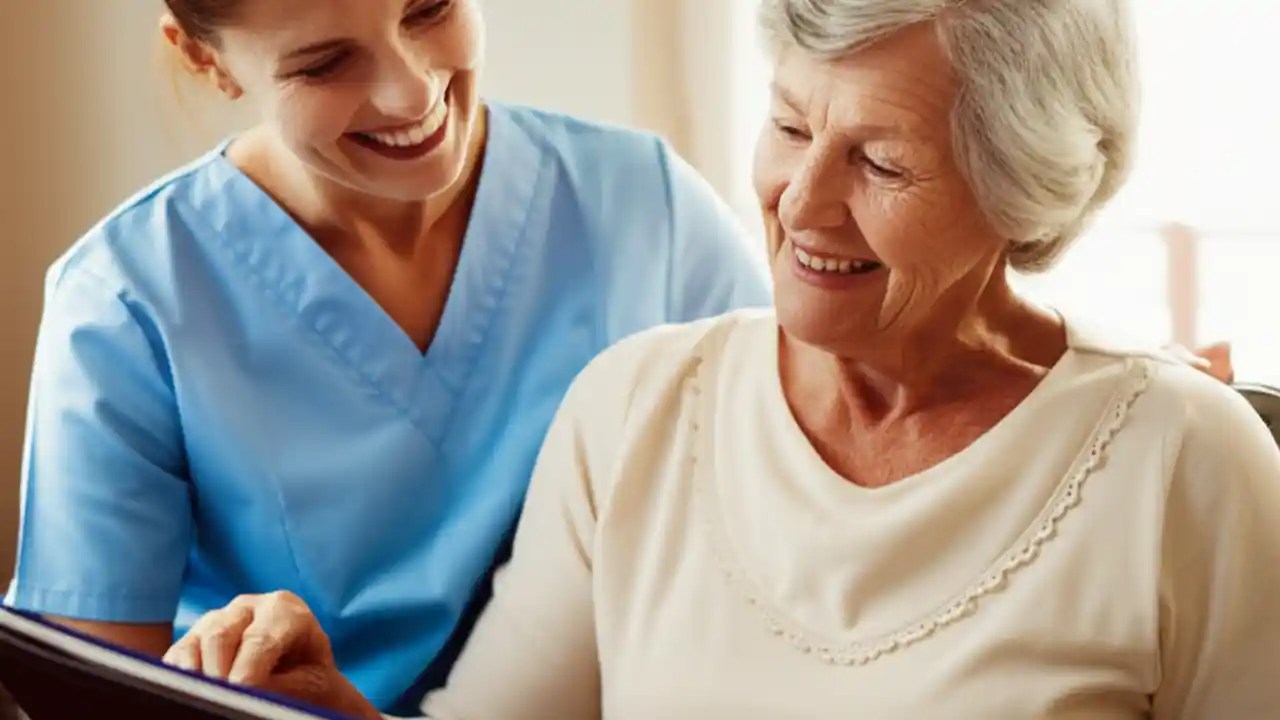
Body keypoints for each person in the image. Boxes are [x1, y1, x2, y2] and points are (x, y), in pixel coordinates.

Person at [168, 0, 1280, 717]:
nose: (801, 203)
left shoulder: (1185, 461)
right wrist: (316, 702)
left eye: (880, 163)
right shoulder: (634, 409)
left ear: (1018, 190)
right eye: (790, 128)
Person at [2, 0, 769, 712]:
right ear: (208, 60)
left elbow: (788, 540)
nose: (412, 93)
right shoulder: (128, 303)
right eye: (323, 64)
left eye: (430, 8)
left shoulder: (648, 211)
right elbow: (95, 697)